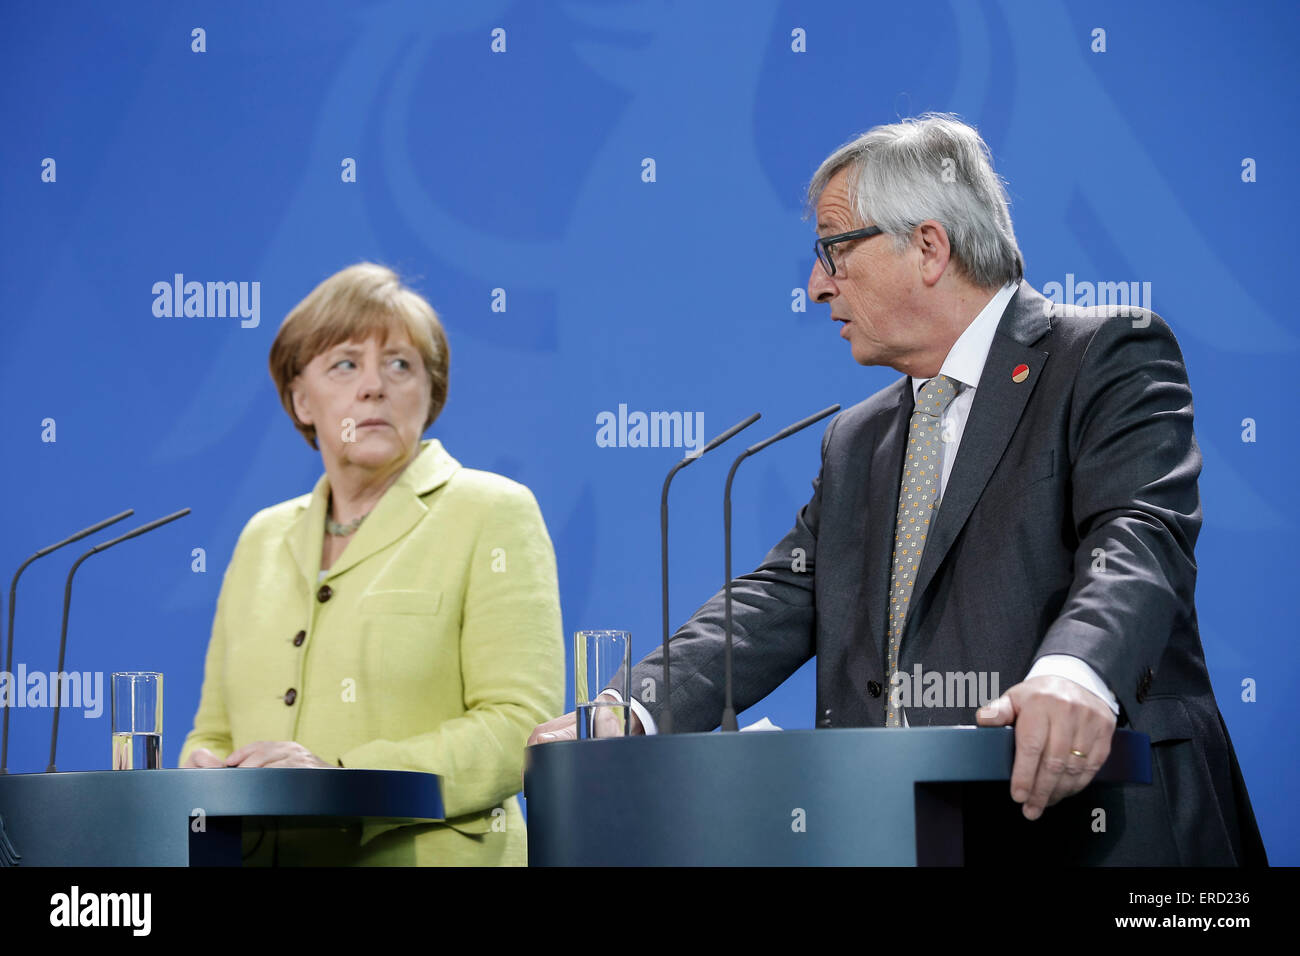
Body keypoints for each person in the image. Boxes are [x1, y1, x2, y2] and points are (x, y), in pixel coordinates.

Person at [529, 114, 1267, 866]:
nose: (817, 286)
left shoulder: (1104, 352)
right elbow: (781, 598)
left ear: (928, 246)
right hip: (909, 832)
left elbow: (1139, 535)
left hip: (1100, 824)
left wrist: (1075, 671)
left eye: (832, 250)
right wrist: (638, 707)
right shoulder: (859, 436)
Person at [180, 262, 564, 866]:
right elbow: (212, 732)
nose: (374, 386)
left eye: (400, 364)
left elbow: (518, 728)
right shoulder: (261, 537)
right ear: (301, 398)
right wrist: (202, 770)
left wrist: (340, 778)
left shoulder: (492, 512)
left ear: (430, 394)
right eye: (345, 363)